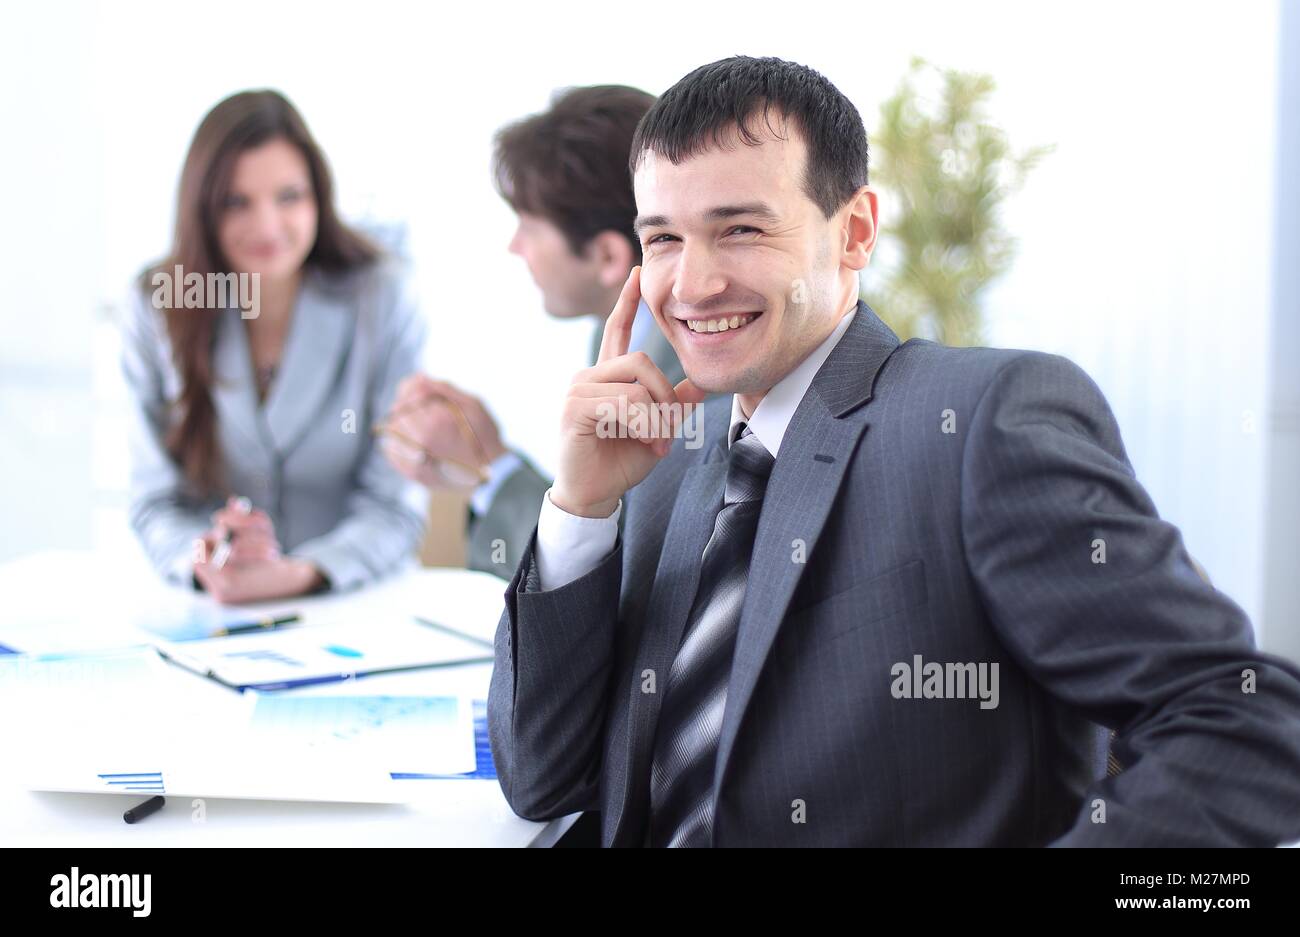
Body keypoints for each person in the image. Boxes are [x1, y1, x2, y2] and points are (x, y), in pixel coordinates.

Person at [487, 56, 1300, 846]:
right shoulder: (665, 467)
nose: (692, 285)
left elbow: (1246, 717)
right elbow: (543, 780)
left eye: (739, 229)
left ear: (855, 232)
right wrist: (578, 509)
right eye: (662, 239)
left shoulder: (980, 422)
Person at [121, 90, 428, 604]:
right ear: (202, 209)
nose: (267, 226)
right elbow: (154, 500)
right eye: (236, 202)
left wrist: (303, 572)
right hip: (208, 606)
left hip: (348, 603)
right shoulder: (158, 302)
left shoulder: (382, 296)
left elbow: (393, 506)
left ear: (319, 198)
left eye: (289, 197)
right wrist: (205, 558)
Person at [382, 85, 683, 578]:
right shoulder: (623, 335)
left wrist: (489, 470)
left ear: (607, 257)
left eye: (529, 225)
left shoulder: (686, 373)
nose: (514, 247)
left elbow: (624, 570)